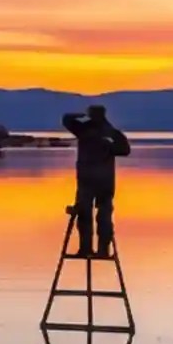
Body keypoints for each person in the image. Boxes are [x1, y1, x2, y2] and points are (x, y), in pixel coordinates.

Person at [62, 105, 130, 256]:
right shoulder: (108, 131)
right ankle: (97, 250)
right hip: (99, 182)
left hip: (92, 181)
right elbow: (124, 149)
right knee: (96, 215)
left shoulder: (87, 130)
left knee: (94, 215)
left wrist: (79, 115)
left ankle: (91, 249)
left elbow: (67, 119)